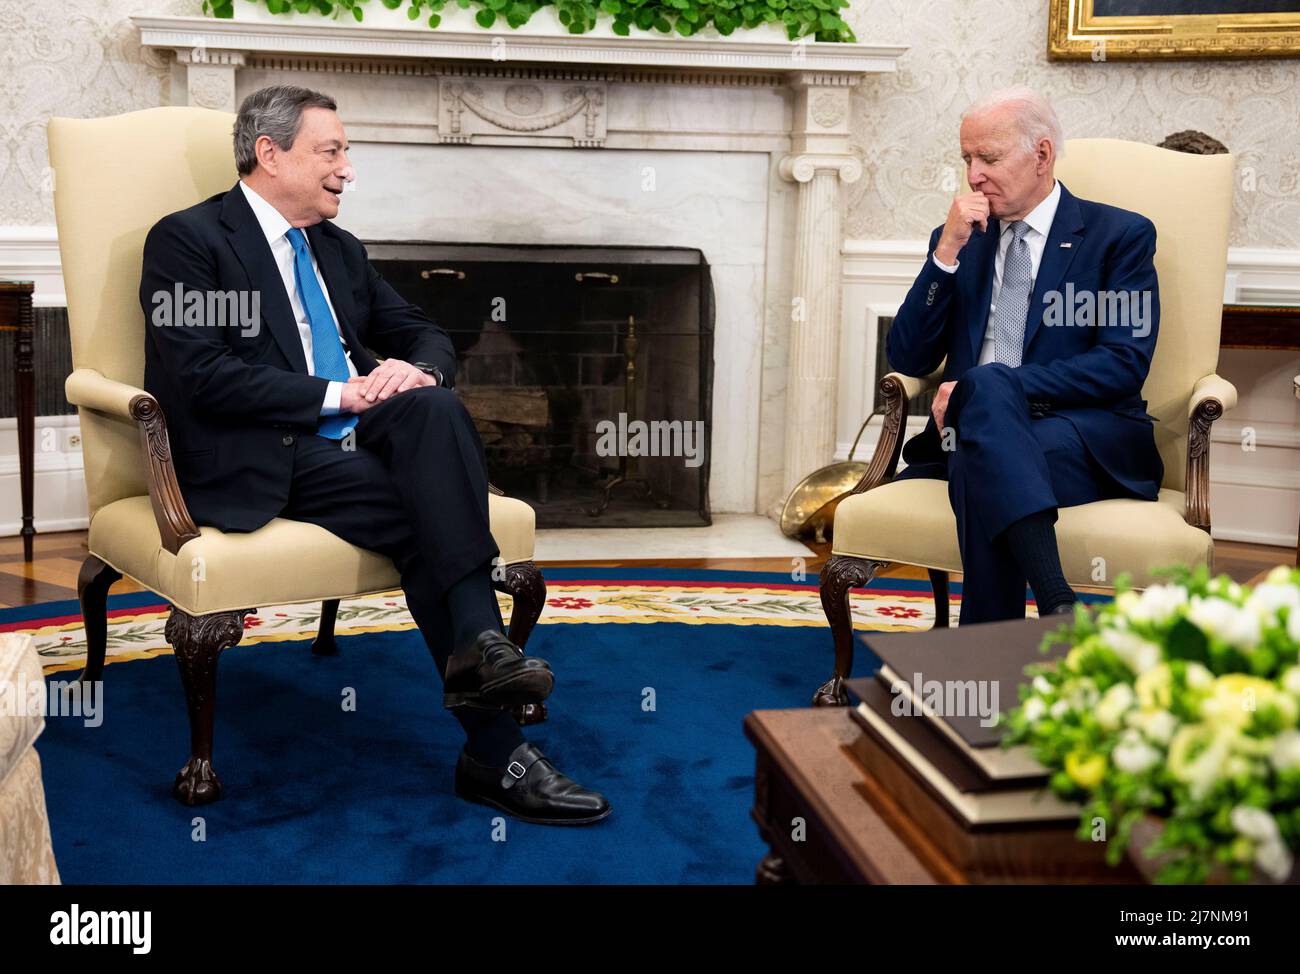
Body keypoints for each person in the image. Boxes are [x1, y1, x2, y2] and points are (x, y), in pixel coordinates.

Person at [139, 84, 610, 825]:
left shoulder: (336, 249)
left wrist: (409, 371)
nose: (347, 168)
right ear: (270, 153)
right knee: (429, 515)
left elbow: (424, 332)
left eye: (345, 152)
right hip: (260, 450)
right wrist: (339, 394)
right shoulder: (189, 240)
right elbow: (203, 376)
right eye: (332, 150)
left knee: (431, 401)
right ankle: (495, 749)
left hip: (355, 439)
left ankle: (480, 655)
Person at [886, 87, 1164, 625]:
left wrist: (985, 388)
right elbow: (910, 356)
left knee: (985, 407)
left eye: (988, 158)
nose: (973, 175)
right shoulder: (960, 240)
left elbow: (1124, 362)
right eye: (967, 158)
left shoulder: (1118, 236)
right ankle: (1055, 602)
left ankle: (982, 664)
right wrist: (945, 255)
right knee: (983, 441)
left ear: (1041, 155)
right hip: (975, 437)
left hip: (1079, 435)